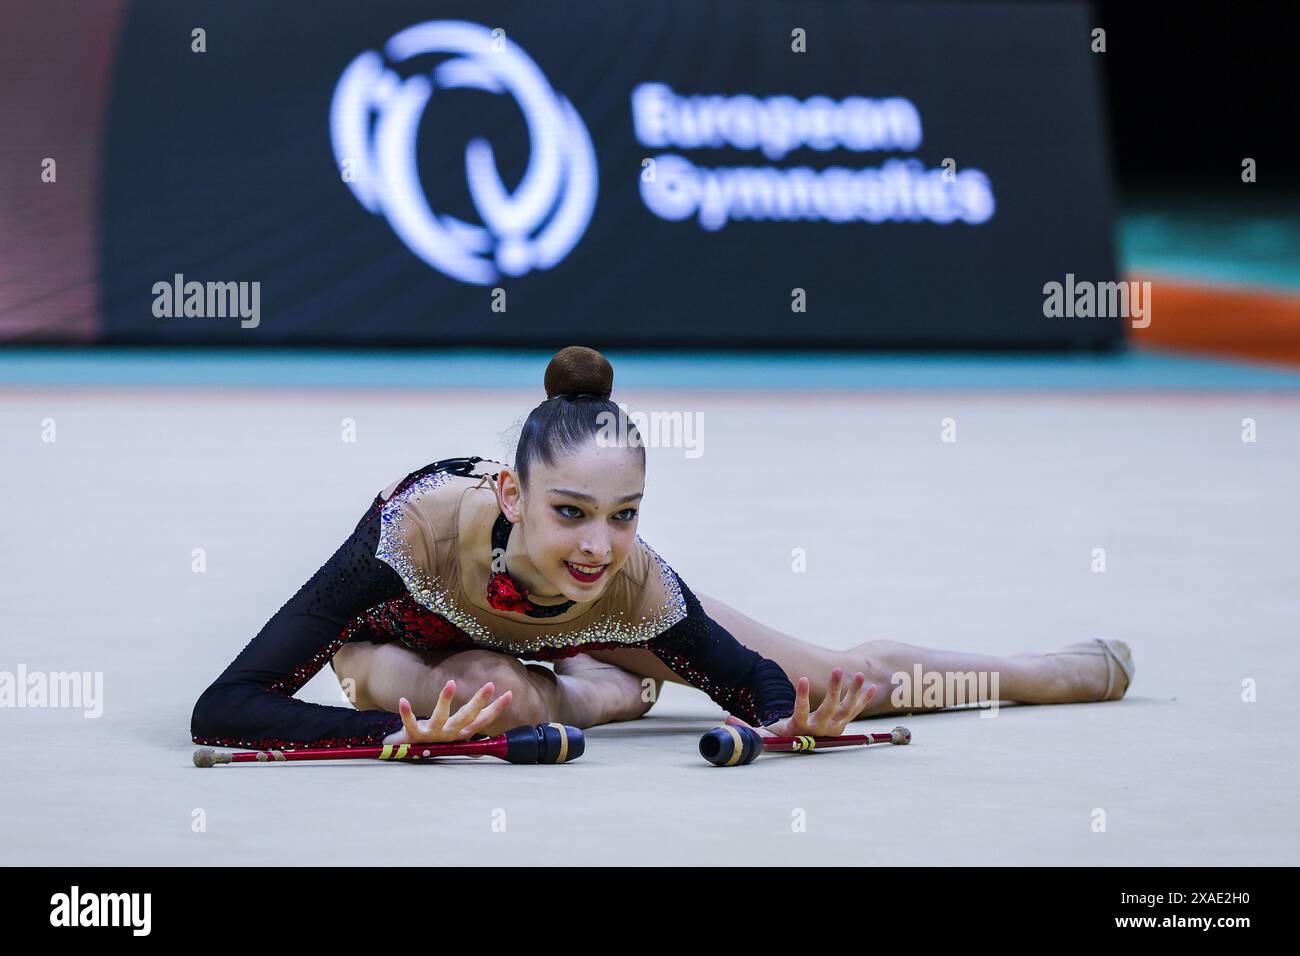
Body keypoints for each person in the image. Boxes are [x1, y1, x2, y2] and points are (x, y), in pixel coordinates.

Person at [191, 346, 1134, 751]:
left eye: (627, 513)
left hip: (575, 627)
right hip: (419, 643)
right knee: (469, 694)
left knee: (846, 681)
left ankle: (1043, 671)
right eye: (570, 512)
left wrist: (789, 720)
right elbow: (227, 707)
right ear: (511, 495)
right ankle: (610, 689)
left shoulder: (627, 576)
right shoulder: (413, 533)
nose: (600, 544)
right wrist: (390, 735)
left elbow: (759, 685)